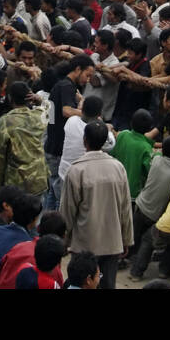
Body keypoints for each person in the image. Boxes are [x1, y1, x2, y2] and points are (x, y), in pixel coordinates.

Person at [61, 121, 133, 289]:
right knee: (107, 283)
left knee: (81, 284)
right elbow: (125, 208)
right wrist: (126, 239)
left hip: (84, 244)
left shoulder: (76, 170)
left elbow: (68, 211)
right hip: (111, 242)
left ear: (84, 140)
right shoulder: (118, 168)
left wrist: (65, 239)